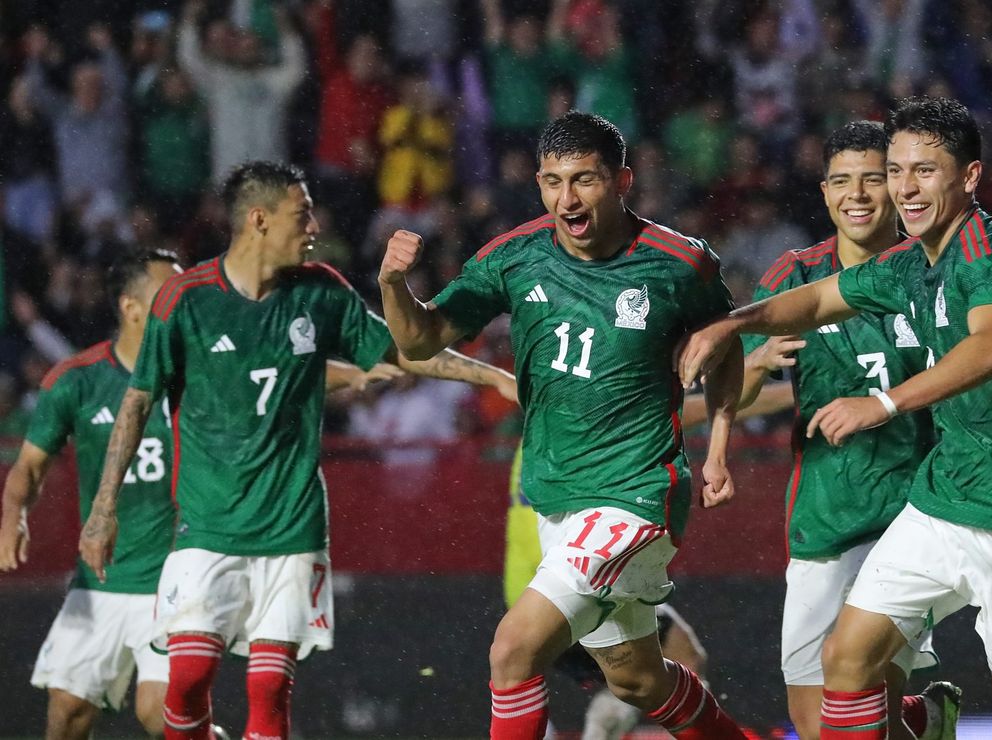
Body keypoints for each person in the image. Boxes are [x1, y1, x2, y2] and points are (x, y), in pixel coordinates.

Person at [678, 97, 992, 740]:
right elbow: (818, 297)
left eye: (923, 170)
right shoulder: (907, 266)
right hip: (939, 502)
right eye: (896, 169)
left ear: (969, 177)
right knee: (845, 662)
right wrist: (731, 322)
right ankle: (924, 721)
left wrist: (883, 403)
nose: (903, 186)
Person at [76, 162, 516, 740]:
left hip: (292, 529)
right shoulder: (184, 301)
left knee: (268, 693)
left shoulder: (320, 290)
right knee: (183, 684)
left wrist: (490, 378)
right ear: (258, 220)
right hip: (207, 529)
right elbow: (136, 405)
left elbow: (399, 350)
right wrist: (103, 509)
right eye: (301, 213)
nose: (314, 225)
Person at [379, 111, 747, 739]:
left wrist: (716, 448)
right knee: (638, 679)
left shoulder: (681, 264)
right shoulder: (516, 256)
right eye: (552, 182)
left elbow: (727, 347)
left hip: (635, 493)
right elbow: (419, 343)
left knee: (513, 650)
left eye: (584, 180)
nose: (566, 199)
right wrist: (393, 284)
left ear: (623, 180)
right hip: (559, 500)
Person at [735, 120, 960, 740]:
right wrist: (753, 365)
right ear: (825, 192)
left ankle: (908, 715)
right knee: (817, 725)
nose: (857, 194)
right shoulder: (791, 277)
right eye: (842, 182)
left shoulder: (932, 270)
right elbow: (736, 392)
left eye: (872, 178)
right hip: (825, 513)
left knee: (861, 688)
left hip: (909, 514)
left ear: (895, 186)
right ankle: (926, 723)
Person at [503, 377, 791, 739]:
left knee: (635, 678)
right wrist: (792, 391)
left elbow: (477, 370)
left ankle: (607, 720)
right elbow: (681, 412)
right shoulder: (591, 418)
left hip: (532, 589)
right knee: (668, 662)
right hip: (572, 577)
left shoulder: (543, 414)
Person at [1, 249, 181, 740]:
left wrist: (353, 375)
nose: (183, 302)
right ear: (131, 307)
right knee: (66, 714)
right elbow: (30, 467)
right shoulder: (76, 381)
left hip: (175, 584)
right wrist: (13, 515)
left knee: (160, 715)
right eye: (170, 293)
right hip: (97, 583)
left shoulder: (196, 373)